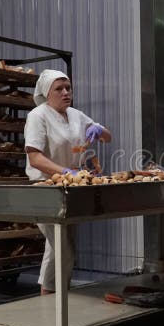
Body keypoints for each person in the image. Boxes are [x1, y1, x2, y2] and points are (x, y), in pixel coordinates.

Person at [24, 69, 112, 295]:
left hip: (71, 186)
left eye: (68, 88)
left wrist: (99, 129)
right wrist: (64, 171)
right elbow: (35, 158)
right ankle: (58, 297)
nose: (66, 92)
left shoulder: (76, 115)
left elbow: (108, 137)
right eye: (59, 89)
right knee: (64, 246)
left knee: (57, 246)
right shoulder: (38, 116)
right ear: (47, 93)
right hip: (46, 187)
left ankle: (48, 297)